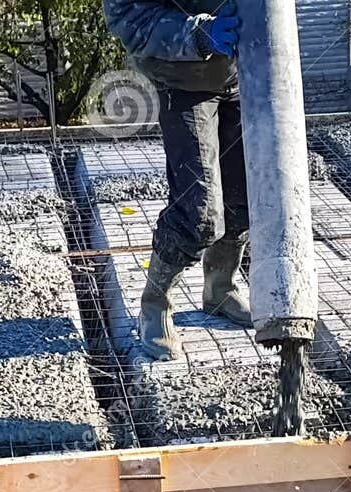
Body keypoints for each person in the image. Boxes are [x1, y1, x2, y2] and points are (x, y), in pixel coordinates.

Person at [103, 0, 252, 360]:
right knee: (199, 213)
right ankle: (155, 303)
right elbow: (129, 18)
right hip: (183, 80)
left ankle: (220, 288)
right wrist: (199, 35)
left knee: (246, 195)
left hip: (245, 74)